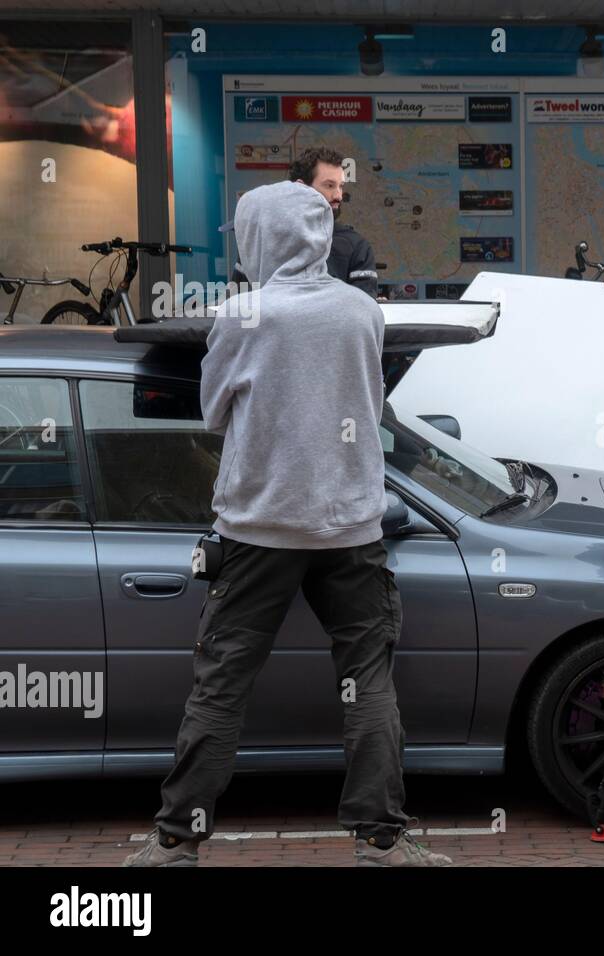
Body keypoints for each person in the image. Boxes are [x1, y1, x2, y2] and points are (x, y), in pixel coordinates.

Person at [125, 180, 446, 866]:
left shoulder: (244, 315)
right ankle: (381, 840)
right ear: (321, 235)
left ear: (258, 238)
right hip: (351, 530)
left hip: (259, 526)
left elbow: (212, 412)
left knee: (223, 684)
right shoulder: (361, 312)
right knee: (367, 680)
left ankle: (178, 840)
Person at [231, 146, 379, 298]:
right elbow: (237, 304)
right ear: (301, 187)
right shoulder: (261, 240)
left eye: (341, 186)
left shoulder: (356, 245)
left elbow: (364, 309)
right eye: (329, 185)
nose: (338, 196)